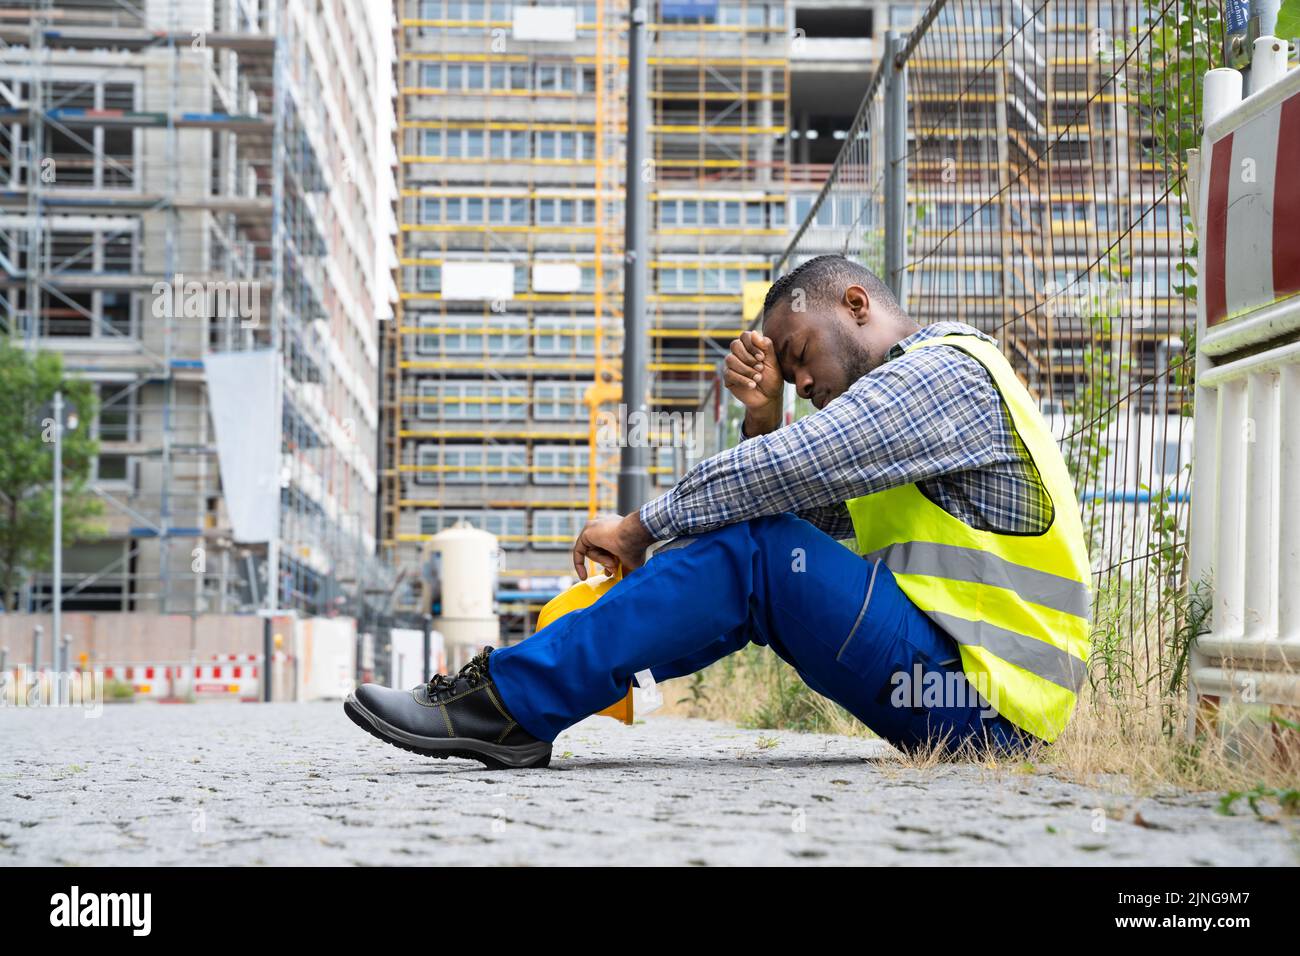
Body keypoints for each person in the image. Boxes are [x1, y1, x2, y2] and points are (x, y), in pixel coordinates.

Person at [344, 254, 1092, 770]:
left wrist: (638, 528)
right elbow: (812, 516)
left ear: (855, 305)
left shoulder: (943, 373)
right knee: (762, 548)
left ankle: (511, 700)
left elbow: (790, 482)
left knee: (760, 548)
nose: (799, 381)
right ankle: (547, 691)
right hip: (962, 692)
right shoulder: (903, 405)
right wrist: (762, 419)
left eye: (799, 353)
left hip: (987, 707)